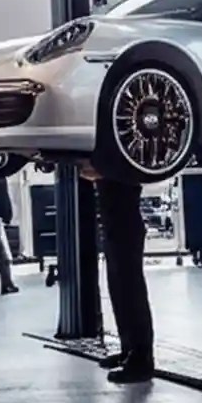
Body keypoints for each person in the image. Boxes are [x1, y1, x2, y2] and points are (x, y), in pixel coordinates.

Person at [82, 163, 154, 384]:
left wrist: (100, 170)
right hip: (116, 227)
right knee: (119, 290)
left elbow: (126, 173)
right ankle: (128, 349)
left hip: (125, 228)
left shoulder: (123, 159)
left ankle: (141, 360)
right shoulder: (112, 158)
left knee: (130, 291)